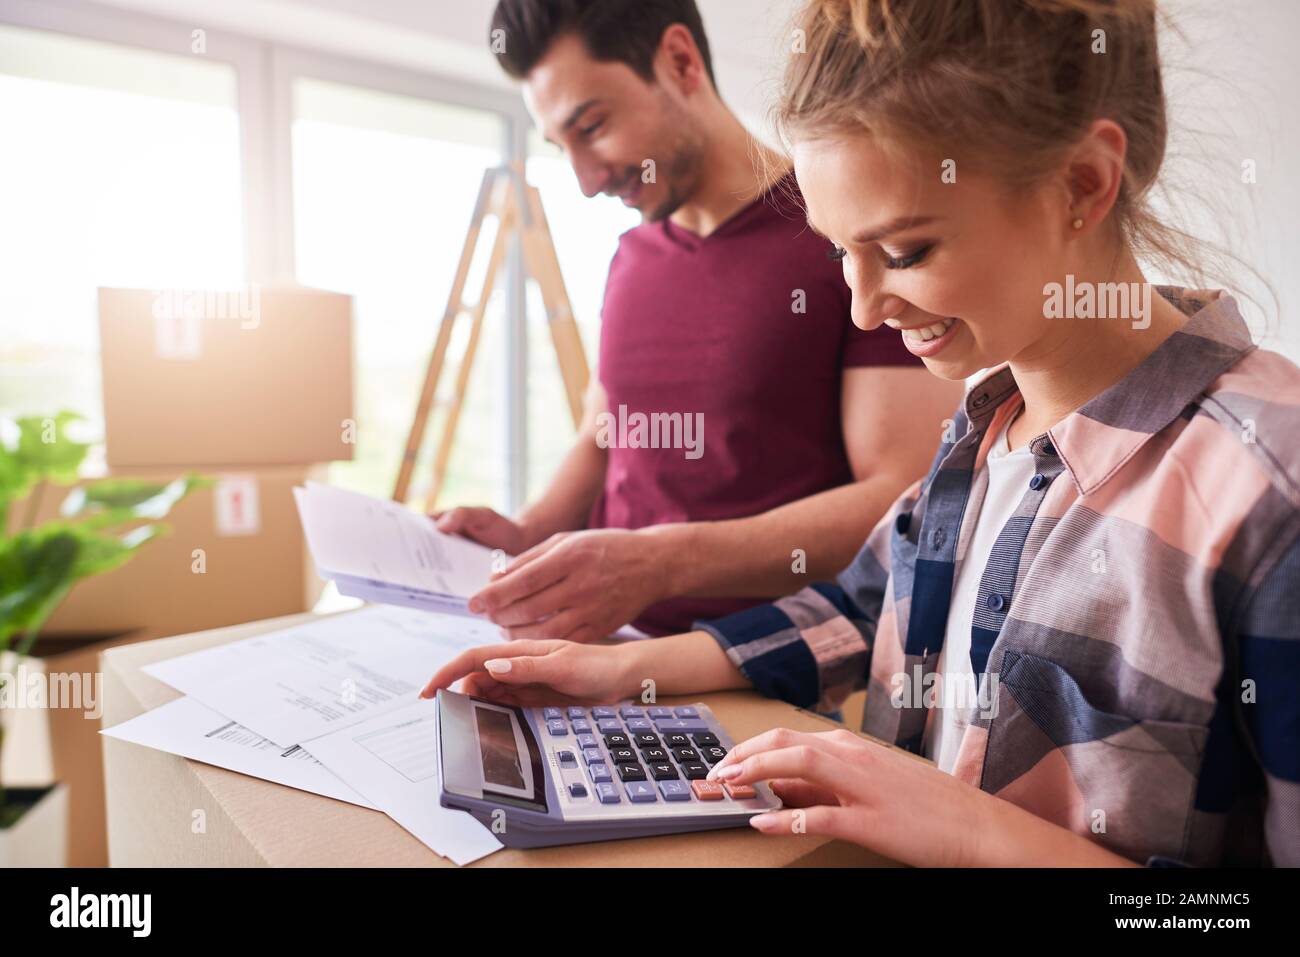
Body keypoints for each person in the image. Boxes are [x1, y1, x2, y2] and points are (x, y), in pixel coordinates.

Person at [422, 0, 1299, 867]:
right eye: (841, 251)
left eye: (907, 252)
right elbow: (862, 607)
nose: (866, 306)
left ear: (1082, 184)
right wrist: (620, 673)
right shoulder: (982, 427)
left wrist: (965, 826)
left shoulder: (1269, 491)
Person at [434, 0, 961, 641]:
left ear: (680, 61)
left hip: (762, 668)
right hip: (602, 649)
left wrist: (663, 564)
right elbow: (603, 438)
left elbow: (901, 497)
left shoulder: (844, 236)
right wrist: (525, 533)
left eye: (593, 126)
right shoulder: (630, 256)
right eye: (562, 147)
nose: (586, 180)